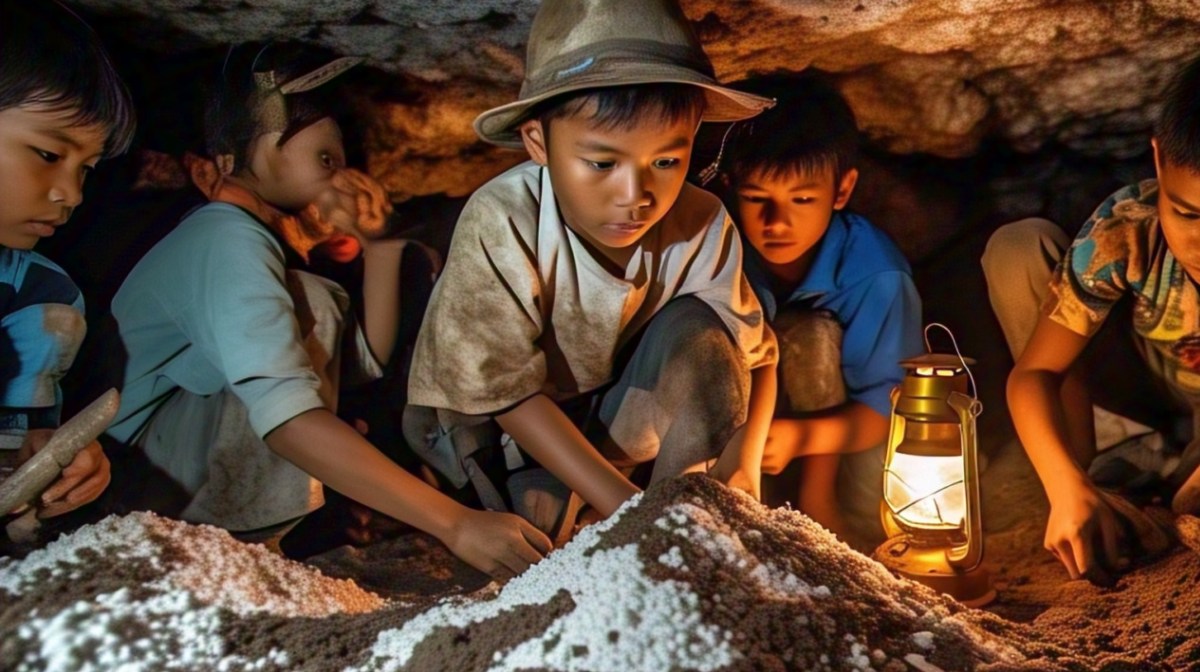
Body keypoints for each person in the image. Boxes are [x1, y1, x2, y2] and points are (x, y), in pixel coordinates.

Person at [105, 43, 548, 577]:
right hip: (137, 487)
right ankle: (228, 547)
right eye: (324, 159)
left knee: (324, 300)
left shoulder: (263, 256)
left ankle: (248, 548)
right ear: (228, 165)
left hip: (169, 471)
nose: (341, 180)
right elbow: (289, 415)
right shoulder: (225, 238)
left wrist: (378, 244)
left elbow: (363, 362)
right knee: (311, 320)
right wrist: (455, 523)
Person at [403, 0, 779, 544]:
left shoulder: (701, 222)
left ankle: (686, 516)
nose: (636, 197)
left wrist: (743, 461)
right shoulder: (503, 218)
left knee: (703, 331)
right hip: (500, 427)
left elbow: (756, 354)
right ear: (538, 142)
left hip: (614, 415)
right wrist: (630, 512)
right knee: (540, 532)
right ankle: (617, 513)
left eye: (667, 162)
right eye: (602, 164)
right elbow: (501, 391)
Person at [983, 54, 1200, 581]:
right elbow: (1035, 374)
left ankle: (1159, 499)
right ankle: (1089, 483)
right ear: (1157, 161)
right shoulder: (1130, 227)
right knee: (1017, 248)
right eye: (1189, 214)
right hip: (1141, 377)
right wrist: (1064, 484)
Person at [714, 74, 923, 545]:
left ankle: (820, 507)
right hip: (738, 438)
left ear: (842, 190)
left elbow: (889, 407)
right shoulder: (713, 248)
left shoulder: (876, 274)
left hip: (839, 449)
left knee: (810, 333)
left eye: (803, 199)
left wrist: (800, 438)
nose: (777, 223)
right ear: (729, 187)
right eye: (756, 199)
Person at [0, 1, 136, 522]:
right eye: (48, 154)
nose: (70, 194)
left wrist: (48, 457)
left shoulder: (41, 295)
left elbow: (19, 444)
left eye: (87, 169)